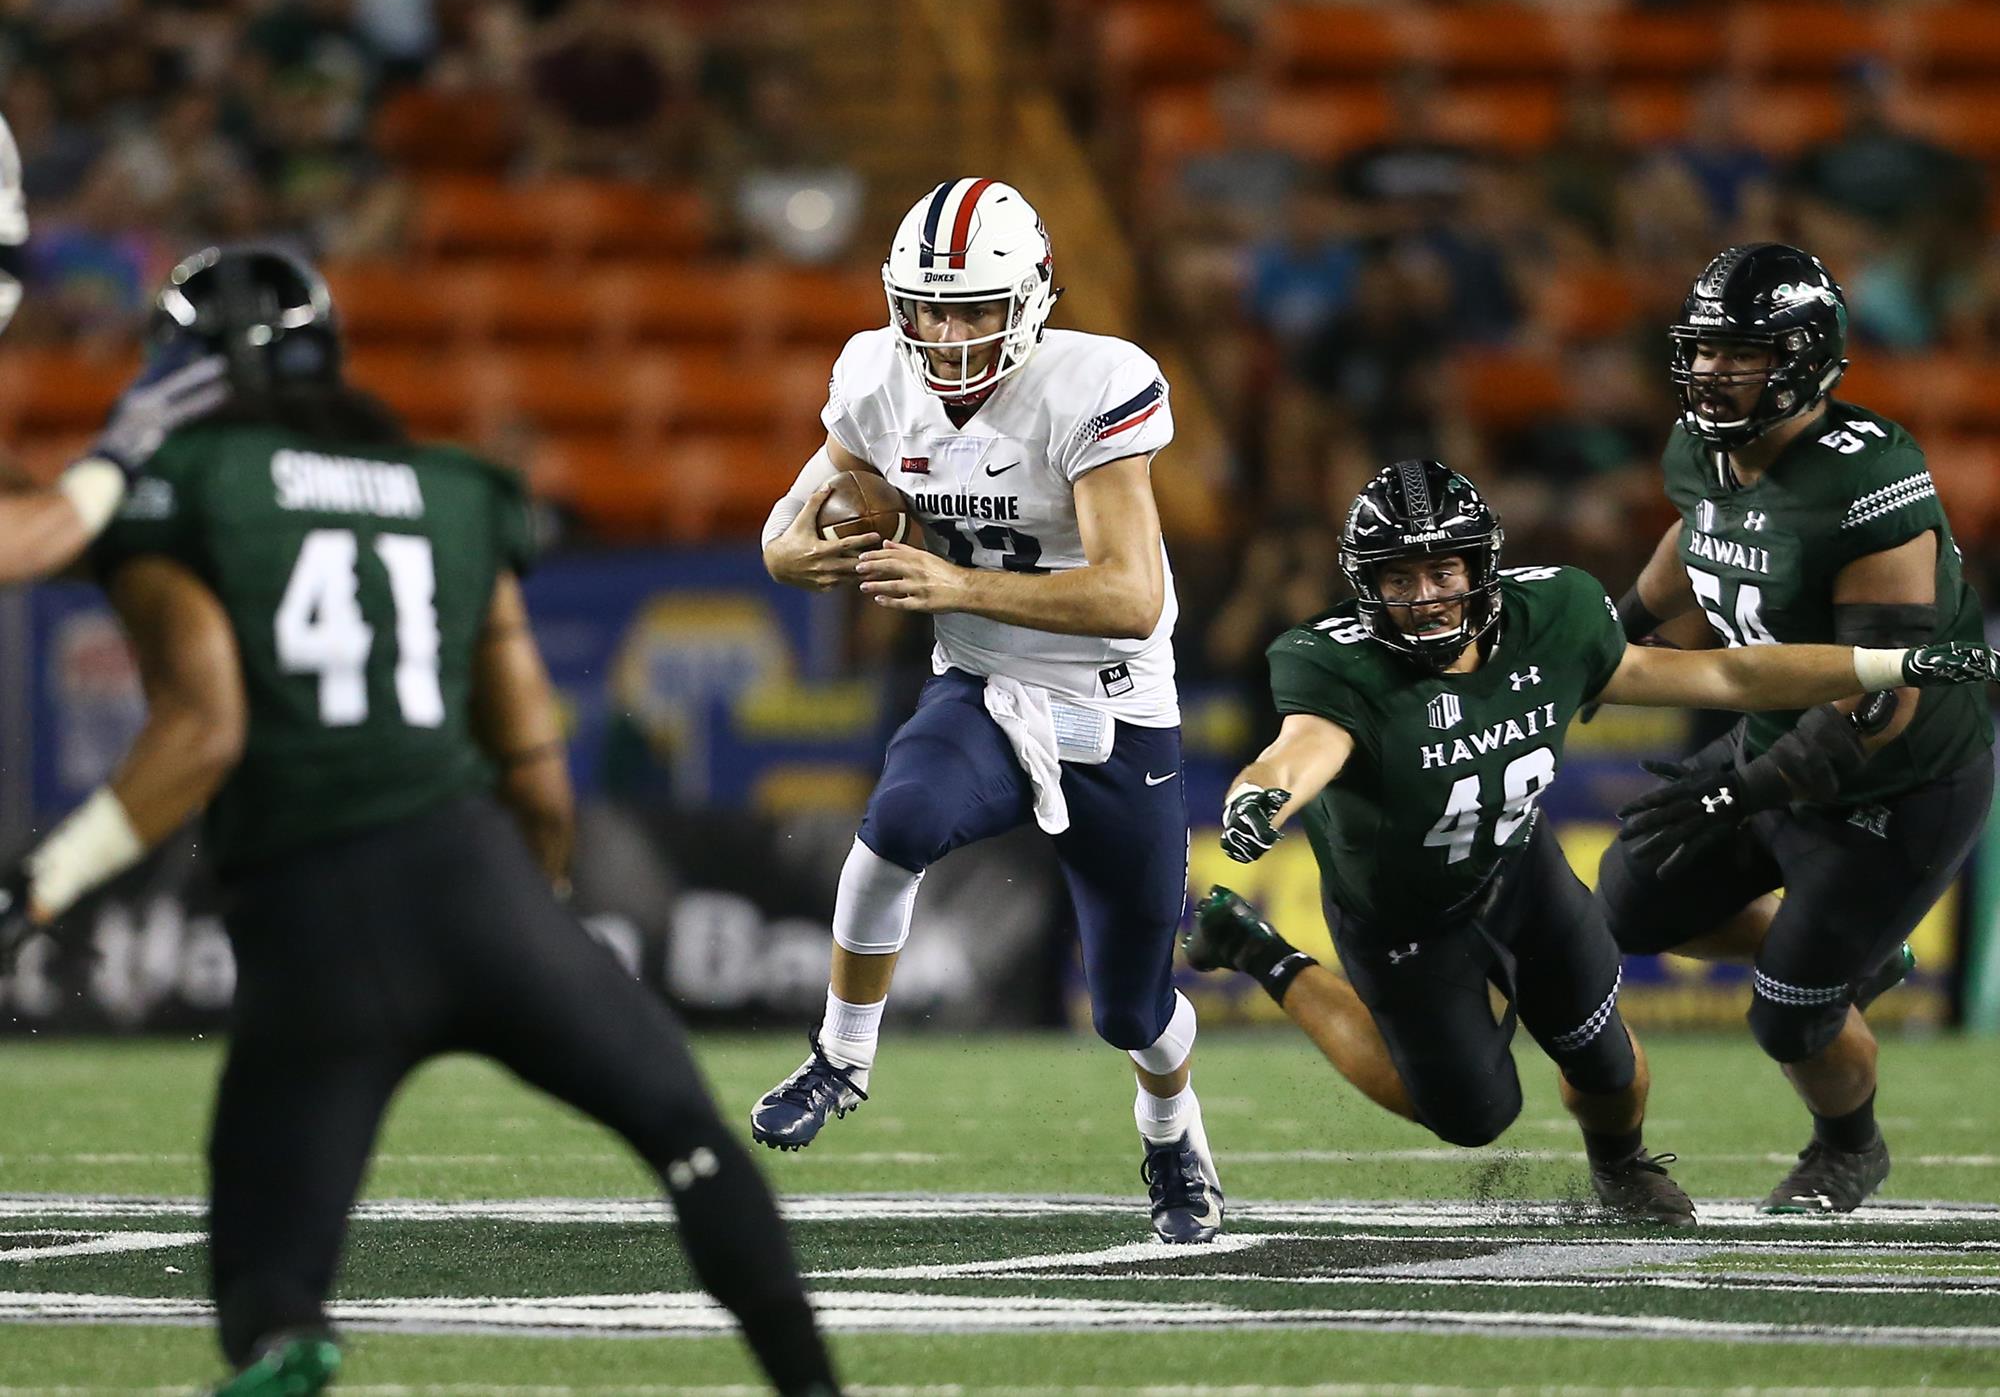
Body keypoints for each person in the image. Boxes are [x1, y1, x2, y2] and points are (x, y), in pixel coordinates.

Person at [0, 246, 839, 1397]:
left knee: (265, 1272)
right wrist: (525, 919)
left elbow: (202, 729)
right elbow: (536, 769)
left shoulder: (183, 486)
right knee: (684, 1136)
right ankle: (813, 1390)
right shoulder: (449, 492)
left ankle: (288, 1341)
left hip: (310, 922)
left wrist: (42, 881)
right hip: (473, 877)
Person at [1181, 458, 1998, 1224]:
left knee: (1607, 1065)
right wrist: (1261, 797)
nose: (1425, 595)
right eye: (1399, 577)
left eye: (1441, 571)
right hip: (1401, 917)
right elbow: (1300, 749)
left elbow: (1728, 675)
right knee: (1473, 1114)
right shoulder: (1330, 663)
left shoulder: (1555, 617)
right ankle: (1263, 952)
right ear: (1367, 587)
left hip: (1518, 871)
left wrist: (1887, 665)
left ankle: (1620, 1165)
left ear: (1479, 568)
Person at [755, 178, 1221, 1243]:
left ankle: (1171, 1138)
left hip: (1111, 705)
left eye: (971, 307)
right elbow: (796, 512)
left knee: (1130, 1011)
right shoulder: (878, 373)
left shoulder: (1094, 382)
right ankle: (841, 1056)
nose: (945, 333)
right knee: (899, 823)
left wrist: (957, 585)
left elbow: (1129, 595)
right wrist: (788, 551)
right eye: (926, 306)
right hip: (979, 685)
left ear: (1032, 299)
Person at [1597, 243, 1996, 1215]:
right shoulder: (1699, 450)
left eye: (1741, 353)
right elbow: (1695, 535)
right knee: (1633, 899)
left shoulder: (1868, 476)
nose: (1710, 372)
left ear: (1807, 357)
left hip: (1898, 779)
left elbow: (1880, 694)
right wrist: (1610, 638)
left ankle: (1845, 1148)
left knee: (1787, 1016)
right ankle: (1857, 958)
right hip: (1776, 741)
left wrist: (1747, 788)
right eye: (1702, 350)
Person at [0, 109, 230, 586]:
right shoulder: (50, 242)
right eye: (106, 185)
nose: (114, 195)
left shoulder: (141, 249)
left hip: (111, 369)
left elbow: (160, 307)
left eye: (124, 188)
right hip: (50, 367)